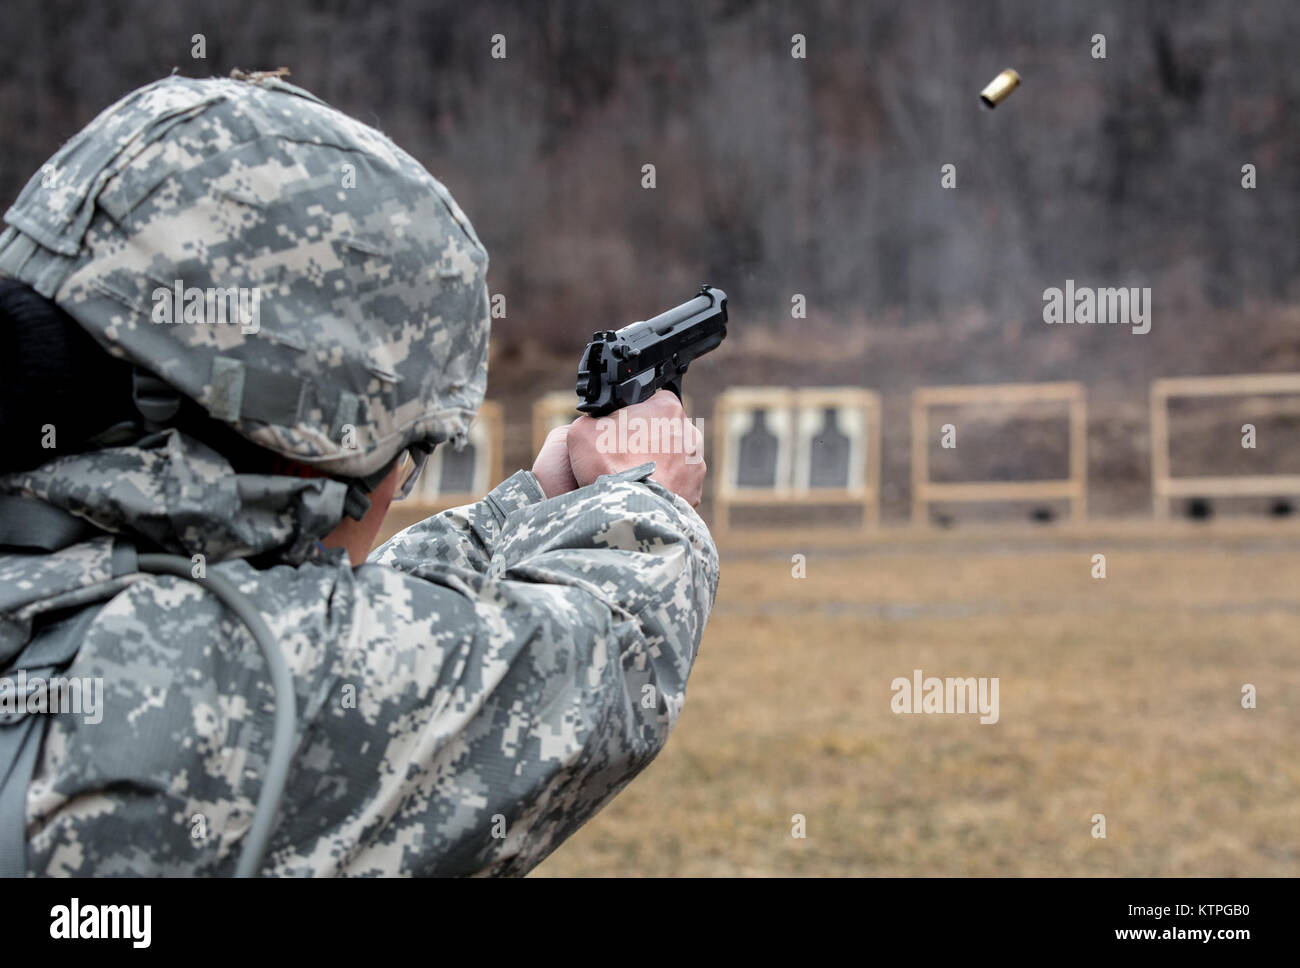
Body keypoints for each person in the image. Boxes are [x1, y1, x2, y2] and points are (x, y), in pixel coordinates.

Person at [0, 73, 716, 876]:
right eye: (403, 456)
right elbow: (601, 668)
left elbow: (340, 631)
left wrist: (530, 505)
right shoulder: (208, 680)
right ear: (306, 455)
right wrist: (642, 498)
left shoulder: (64, 599)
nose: (397, 484)